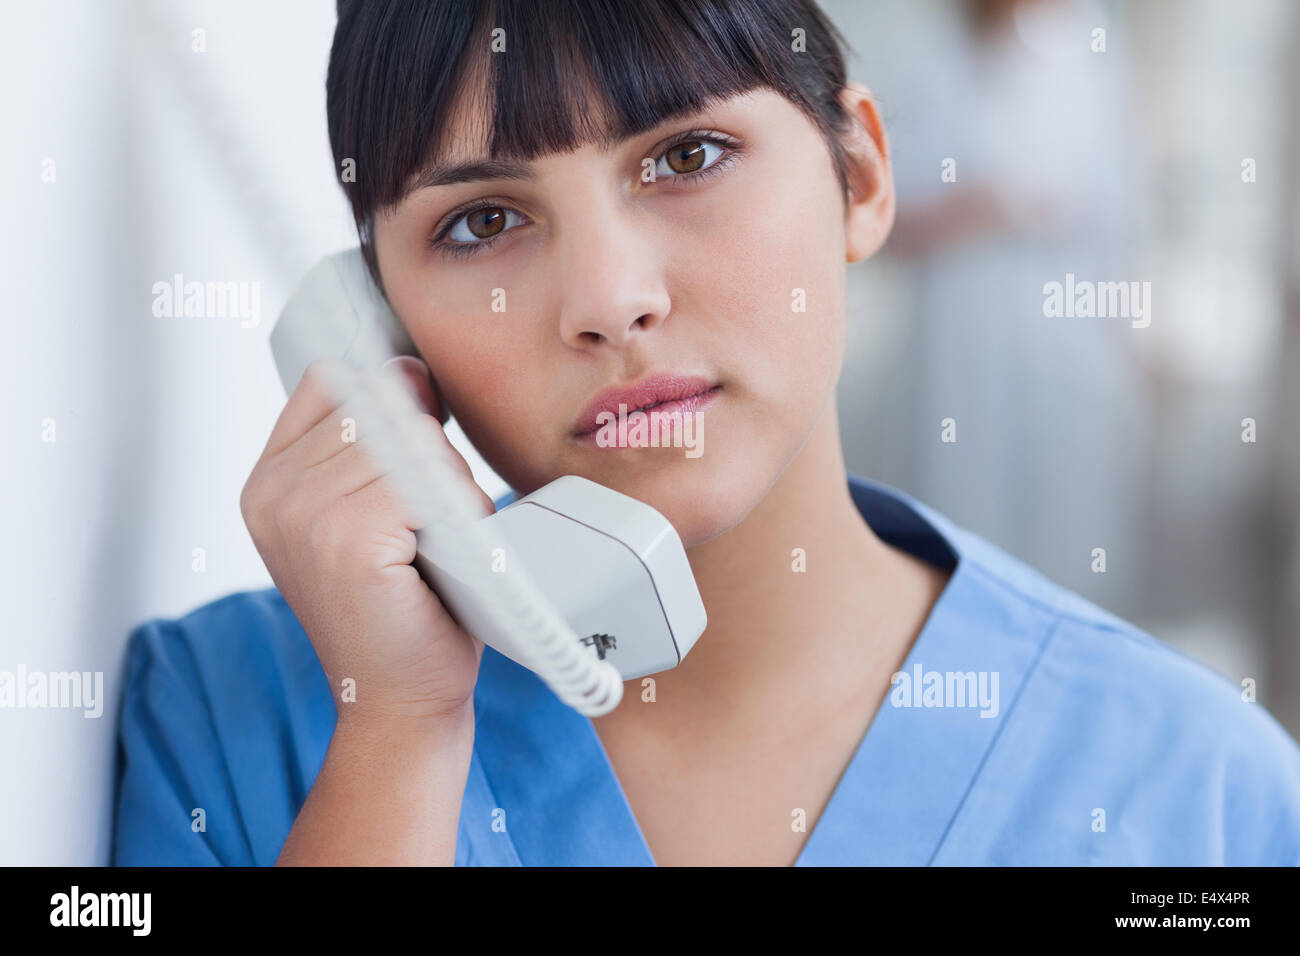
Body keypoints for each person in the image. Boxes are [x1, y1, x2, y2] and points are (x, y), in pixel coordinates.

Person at [112, 0, 1300, 866]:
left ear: (863, 175)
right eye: (481, 222)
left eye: (688, 156)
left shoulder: (1197, 785)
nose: (608, 298)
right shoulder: (223, 717)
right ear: (371, 318)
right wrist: (397, 736)